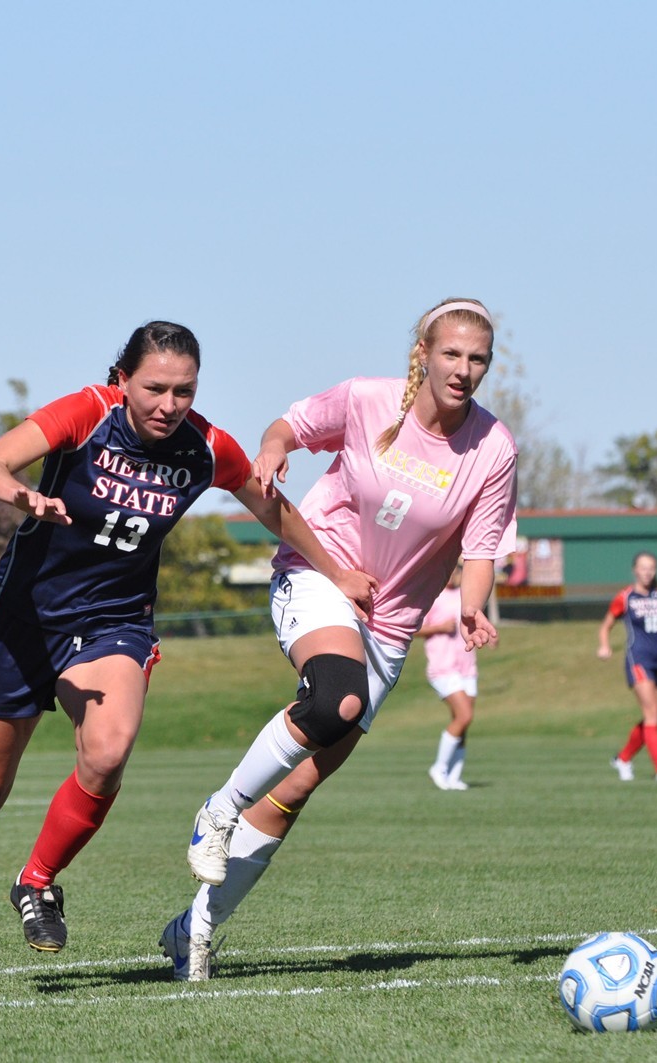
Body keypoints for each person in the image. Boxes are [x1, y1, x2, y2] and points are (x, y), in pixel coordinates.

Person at [0, 321, 368, 992]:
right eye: (155, 388)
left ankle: (37, 881)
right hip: (24, 622)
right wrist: (21, 494)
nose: (169, 404)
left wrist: (338, 572)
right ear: (123, 380)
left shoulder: (204, 446)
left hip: (114, 624)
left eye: (184, 390)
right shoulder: (88, 413)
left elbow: (273, 507)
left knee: (108, 752)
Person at [165, 297, 518, 982]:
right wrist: (272, 447)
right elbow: (291, 426)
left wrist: (473, 609)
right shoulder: (366, 400)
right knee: (335, 701)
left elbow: (480, 550)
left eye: (478, 359)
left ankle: (195, 931)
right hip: (319, 571)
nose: (464, 369)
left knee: (295, 789)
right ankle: (217, 811)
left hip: (391, 625)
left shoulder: (493, 448)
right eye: (452, 353)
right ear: (423, 352)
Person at [597, 551, 657, 783]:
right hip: (637, 659)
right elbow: (605, 626)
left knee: (654, 717)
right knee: (651, 715)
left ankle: (623, 758)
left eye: (651, 568)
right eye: (643, 567)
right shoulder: (626, 597)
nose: (647, 572)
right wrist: (604, 646)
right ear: (635, 570)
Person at [419, 561, 478, 791]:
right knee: (464, 716)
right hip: (443, 667)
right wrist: (438, 628)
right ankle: (439, 768)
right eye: (453, 568)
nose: (456, 573)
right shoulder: (433, 597)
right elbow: (415, 628)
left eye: (459, 569)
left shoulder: (466, 596)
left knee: (464, 722)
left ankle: (454, 776)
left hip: (467, 666)